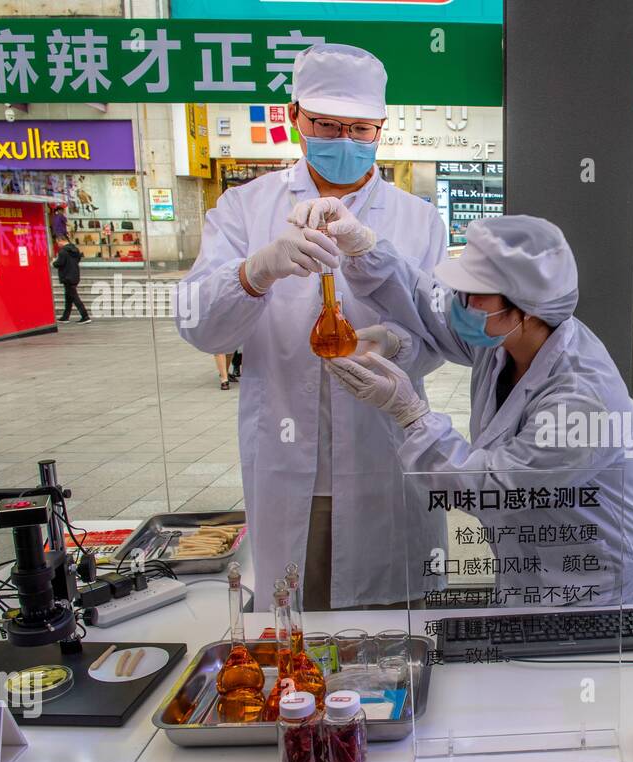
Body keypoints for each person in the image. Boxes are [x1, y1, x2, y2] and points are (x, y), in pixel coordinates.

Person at [176, 43, 448, 611]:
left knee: (395, 631)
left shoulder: (417, 218)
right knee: (298, 634)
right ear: (294, 115)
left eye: (361, 128)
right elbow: (200, 327)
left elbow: (441, 331)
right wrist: (254, 272)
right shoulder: (246, 208)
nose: (344, 140)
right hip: (290, 468)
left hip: (386, 462)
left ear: (381, 128)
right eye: (326, 123)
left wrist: (399, 348)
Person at [302, 211, 633, 607]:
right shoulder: (508, 338)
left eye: (475, 294)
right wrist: (365, 250)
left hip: (592, 578)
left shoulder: (584, 401)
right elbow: (430, 303)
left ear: (526, 306)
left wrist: (410, 414)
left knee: (568, 665)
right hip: (531, 561)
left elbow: (493, 489)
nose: (462, 304)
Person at [52, 240, 91, 324]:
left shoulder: (63, 251)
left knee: (74, 297)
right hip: (75, 275)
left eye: (57, 242)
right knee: (68, 297)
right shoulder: (75, 250)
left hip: (67, 276)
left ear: (60, 241)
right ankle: (65, 317)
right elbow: (77, 261)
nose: (57, 245)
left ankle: (85, 316)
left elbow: (59, 263)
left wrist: (53, 263)